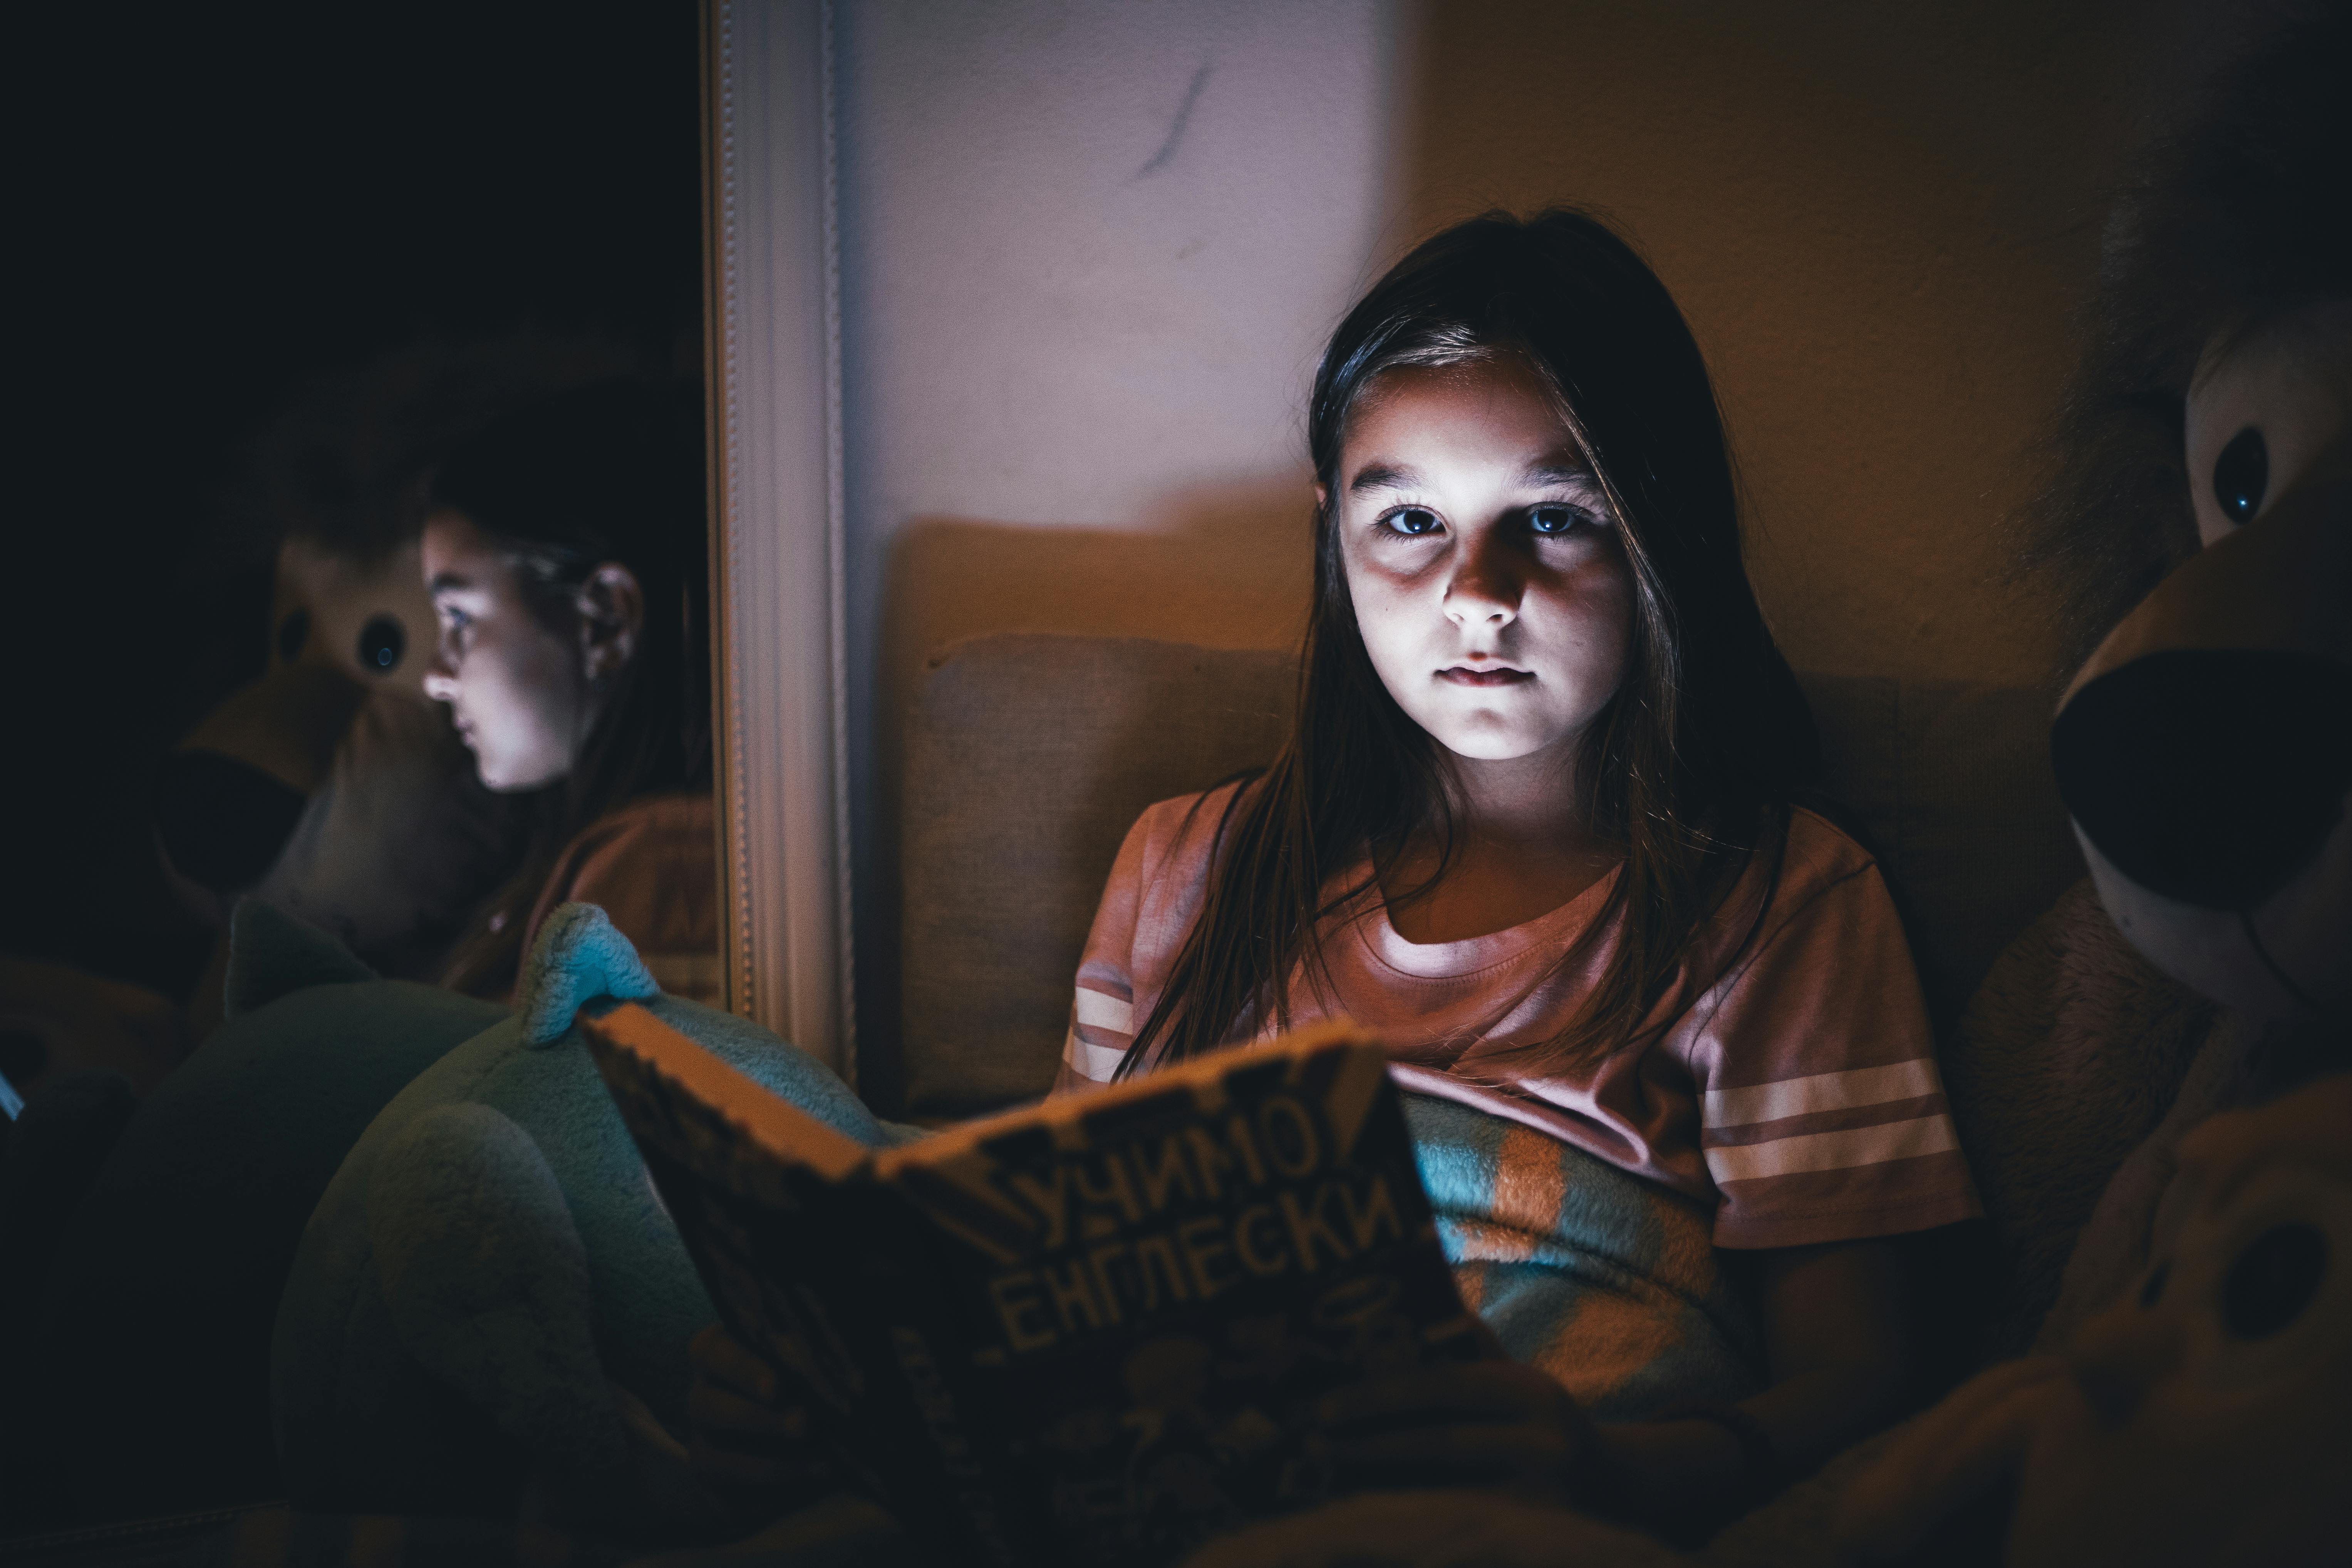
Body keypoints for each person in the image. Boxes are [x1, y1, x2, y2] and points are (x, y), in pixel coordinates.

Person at [692, 212, 1979, 1539]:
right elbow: (1041, 1291)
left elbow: (1864, 1379)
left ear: (1663, 531)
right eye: (1411, 519)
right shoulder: (1185, 868)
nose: (1478, 592)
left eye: (1552, 517)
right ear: (1332, 540)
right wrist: (840, 1402)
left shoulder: (1776, 901)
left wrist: (1611, 1477)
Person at [420, 382, 719, 1003]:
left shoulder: (659, 874)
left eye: (460, 620)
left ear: (604, 618)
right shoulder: (577, 857)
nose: (434, 675)